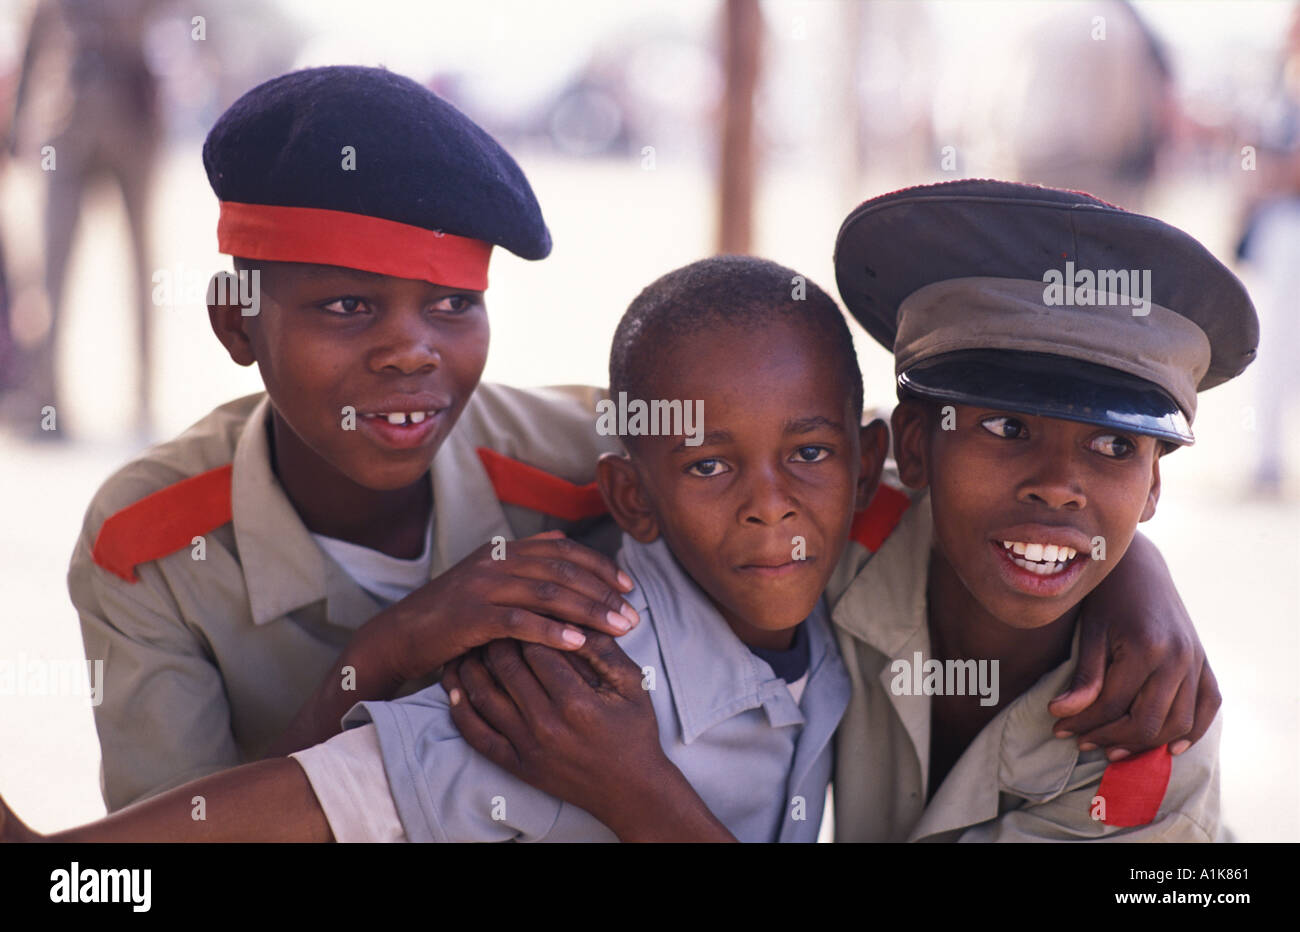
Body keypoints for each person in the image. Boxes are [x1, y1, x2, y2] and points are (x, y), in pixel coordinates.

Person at [0, 249, 1223, 843]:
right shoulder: (577, 675)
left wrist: (1132, 574)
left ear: (860, 460)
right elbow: (302, 803)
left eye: (1114, 455)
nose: (765, 505)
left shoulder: (1140, 720)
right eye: (1004, 430)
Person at [437, 180, 1252, 842]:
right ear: (912, 449)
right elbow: (532, 430)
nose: (1060, 486)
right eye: (1005, 427)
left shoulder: (1152, 749)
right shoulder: (817, 521)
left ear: (1154, 486)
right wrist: (398, 639)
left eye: (1114, 447)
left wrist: (637, 793)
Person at [67, 65, 639, 813]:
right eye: (347, 305)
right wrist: (382, 654)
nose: (411, 352)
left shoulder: (592, 465)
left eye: (452, 304)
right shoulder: (149, 547)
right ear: (236, 323)